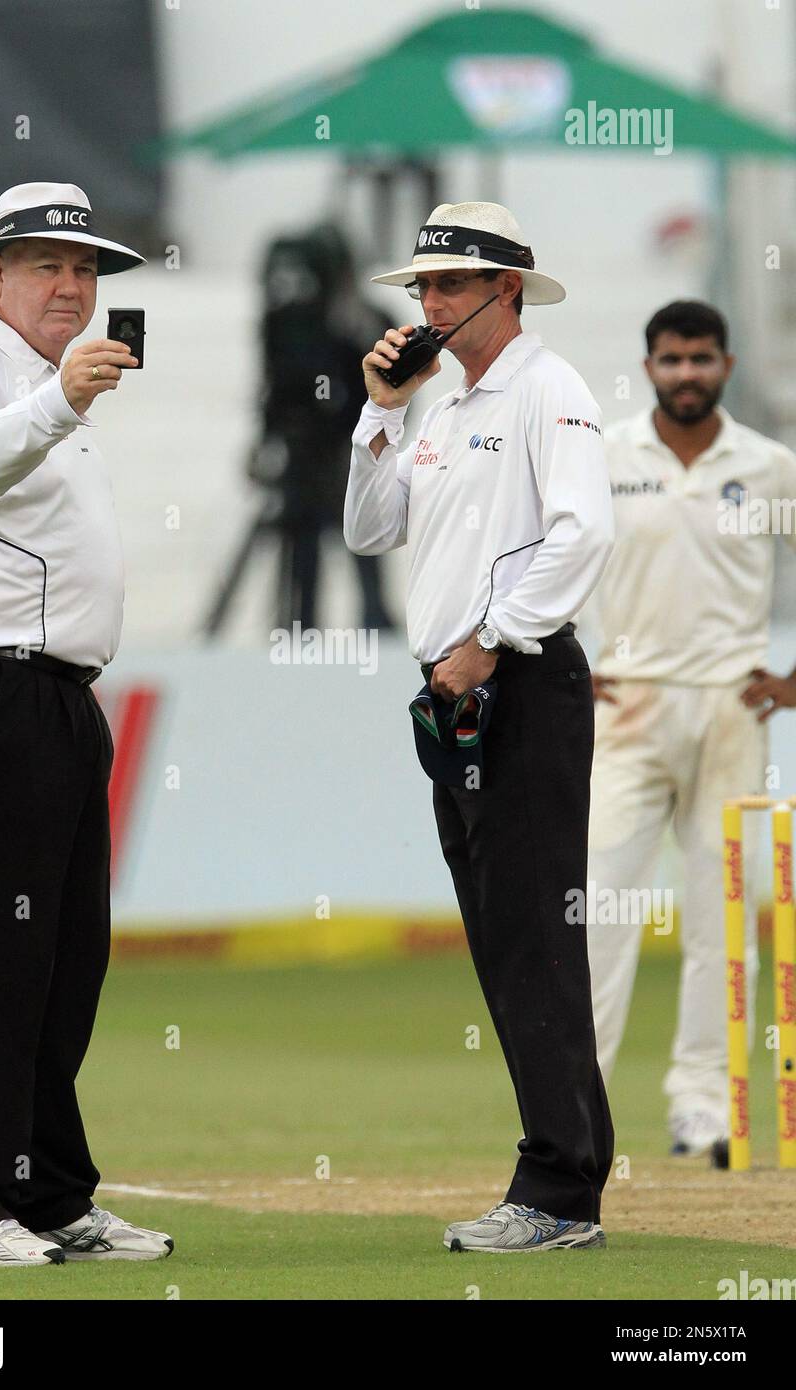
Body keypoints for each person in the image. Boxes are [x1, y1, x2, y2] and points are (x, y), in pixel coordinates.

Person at [0, 181, 173, 1266]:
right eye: (47, 263)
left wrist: (60, 395)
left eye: (86, 267)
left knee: (61, 954)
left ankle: (46, 1191)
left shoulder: (34, 373)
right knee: (0, 951)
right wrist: (62, 399)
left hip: (46, 686)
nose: (71, 284)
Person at [344, 201, 615, 1252]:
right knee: (506, 939)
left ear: (506, 289)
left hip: (522, 681)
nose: (427, 302)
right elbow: (369, 527)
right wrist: (378, 411)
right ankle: (561, 1179)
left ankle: (555, 1190)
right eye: (421, 286)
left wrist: (492, 638)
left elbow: (581, 531)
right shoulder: (443, 406)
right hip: (462, 688)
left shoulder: (546, 387)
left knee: (531, 938)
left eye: (449, 284)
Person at [583, 300, 796, 1157]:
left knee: (725, 912)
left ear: (727, 365)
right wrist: (568, 661)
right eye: (671, 361)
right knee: (598, 909)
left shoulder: (770, 467)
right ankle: (577, 1106)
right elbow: (544, 555)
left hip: (731, 709)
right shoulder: (605, 458)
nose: (687, 375)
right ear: (649, 368)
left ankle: (702, 1103)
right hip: (626, 705)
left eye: (701, 359)